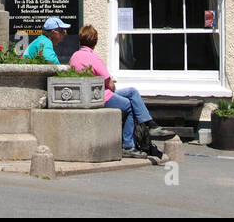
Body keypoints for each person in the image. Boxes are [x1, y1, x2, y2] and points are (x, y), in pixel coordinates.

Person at [68, 24, 172, 159]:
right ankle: (128, 145)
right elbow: (110, 84)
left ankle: (149, 124)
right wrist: (112, 87)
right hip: (100, 96)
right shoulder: (94, 58)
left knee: (132, 92)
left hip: (88, 94)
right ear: (95, 41)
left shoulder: (74, 56)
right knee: (128, 105)